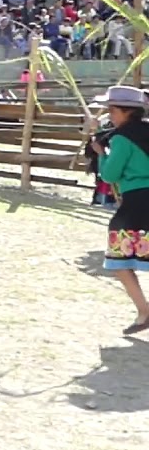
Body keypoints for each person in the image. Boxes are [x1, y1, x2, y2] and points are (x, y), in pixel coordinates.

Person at [90, 85, 149, 334]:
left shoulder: (121, 139)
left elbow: (110, 174)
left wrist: (101, 154)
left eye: (112, 110)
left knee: (119, 259)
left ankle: (144, 311)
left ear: (126, 111)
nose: (110, 115)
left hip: (137, 201)